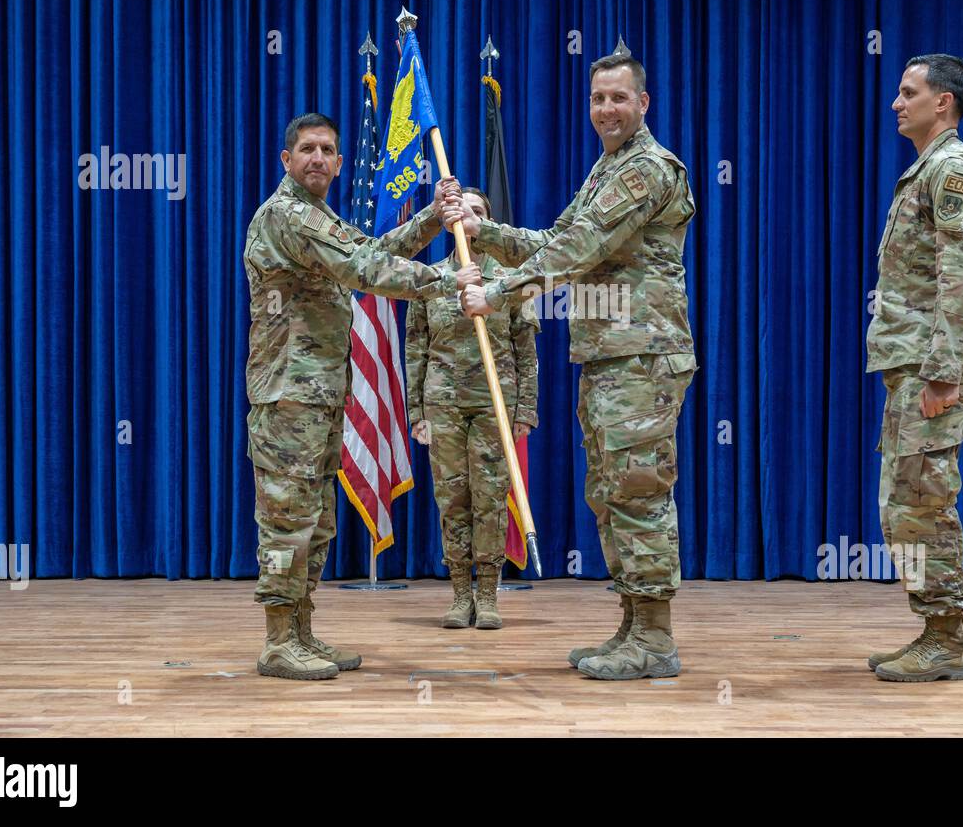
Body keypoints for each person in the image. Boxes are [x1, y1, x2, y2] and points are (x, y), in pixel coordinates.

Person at [450, 50, 696, 680]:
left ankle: (657, 638)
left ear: (644, 103)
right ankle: (633, 625)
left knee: (639, 493)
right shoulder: (605, 170)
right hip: (610, 354)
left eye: (618, 98)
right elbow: (556, 242)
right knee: (611, 494)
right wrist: (487, 232)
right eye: (597, 99)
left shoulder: (646, 170)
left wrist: (499, 292)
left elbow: (582, 249)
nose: (606, 109)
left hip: (642, 354)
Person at [244, 112, 478, 681]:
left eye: (327, 149)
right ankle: (278, 638)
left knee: (316, 518)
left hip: (319, 394)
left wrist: (430, 217)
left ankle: (300, 631)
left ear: (341, 162)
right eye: (307, 149)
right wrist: (449, 281)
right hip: (287, 397)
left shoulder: (318, 217)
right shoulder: (287, 215)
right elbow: (367, 267)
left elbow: (370, 249)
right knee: (286, 520)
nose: (318, 158)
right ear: (287, 160)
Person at [866, 54, 963, 682]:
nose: (897, 102)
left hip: (935, 366)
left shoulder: (953, 171)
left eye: (908, 92)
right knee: (904, 502)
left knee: (923, 500)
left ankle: (947, 641)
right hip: (913, 362)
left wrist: (945, 372)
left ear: (942, 102)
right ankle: (932, 630)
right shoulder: (927, 169)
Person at [406, 187, 539, 630]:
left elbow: (526, 352)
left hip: (495, 404)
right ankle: (460, 594)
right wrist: (415, 412)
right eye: (462, 213)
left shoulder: (511, 281)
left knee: (489, 502)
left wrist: (525, 410)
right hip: (442, 403)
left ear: (487, 220)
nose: (468, 220)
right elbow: (415, 350)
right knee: (453, 501)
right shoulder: (430, 279)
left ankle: (488, 594)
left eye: (478, 212)